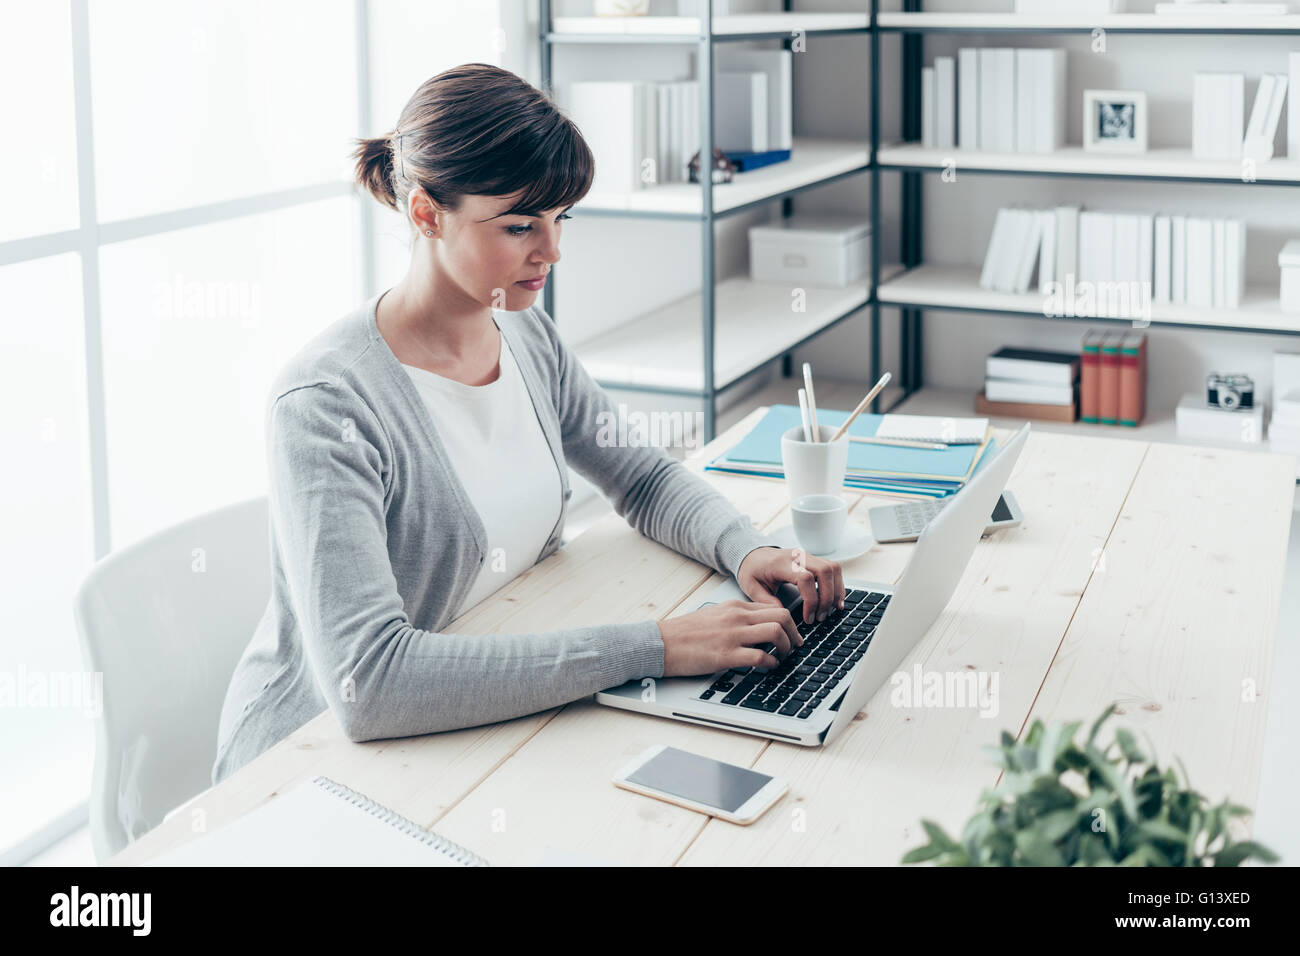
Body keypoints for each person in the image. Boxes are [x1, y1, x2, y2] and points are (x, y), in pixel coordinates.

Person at [212, 63, 843, 784]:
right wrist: (658, 647)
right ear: (425, 214)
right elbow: (371, 682)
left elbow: (637, 476)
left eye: (558, 219)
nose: (552, 252)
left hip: (482, 713)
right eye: (519, 226)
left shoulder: (524, 334)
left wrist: (747, 550)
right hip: (314, 763)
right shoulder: (326, 405)